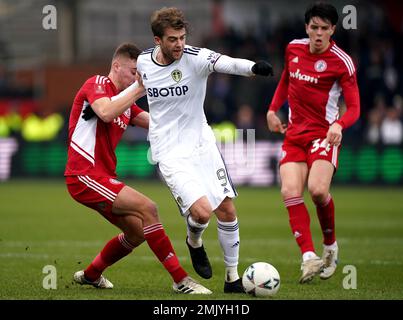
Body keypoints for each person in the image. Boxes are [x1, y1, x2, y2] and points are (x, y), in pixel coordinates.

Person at [136, 7, 274, 293]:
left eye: (182, 37)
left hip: (202, 144)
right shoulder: (143, 63)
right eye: (172, 39)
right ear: (157, 40)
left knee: (226, 209)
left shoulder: (195, 58)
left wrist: (252, 68)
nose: (179, 44)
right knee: (201, 214)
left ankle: (232, 278)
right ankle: (194, 241)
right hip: (169, 152)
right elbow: (132, 87)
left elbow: (227, 63)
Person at [64, 43, 211, 294]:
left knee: (137, 232)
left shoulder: (126, 105)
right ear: (116, 66)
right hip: (84, 174)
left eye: (139, 73)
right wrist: (140, 87)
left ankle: (91, 275)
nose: (137, 76)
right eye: (133, 71)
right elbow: (106, 112)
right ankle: (181, 280)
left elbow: (157, 124)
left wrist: (191, 124)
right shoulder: (97, 84)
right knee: (149, 208)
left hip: (101, 177)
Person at [266, 2, 360, 283]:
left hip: (323, 135)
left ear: (333, 29)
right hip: (294, 135)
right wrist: (273, 110)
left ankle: (330, 246)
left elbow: (355, 107)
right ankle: (308, 257)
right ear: (307, 28)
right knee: (289, 191)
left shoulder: (342, 62)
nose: (318, 33)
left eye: (324, 28)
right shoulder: (293, 49)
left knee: (318, 191)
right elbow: (286, 80)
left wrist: (339, 124)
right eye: (314, 27)